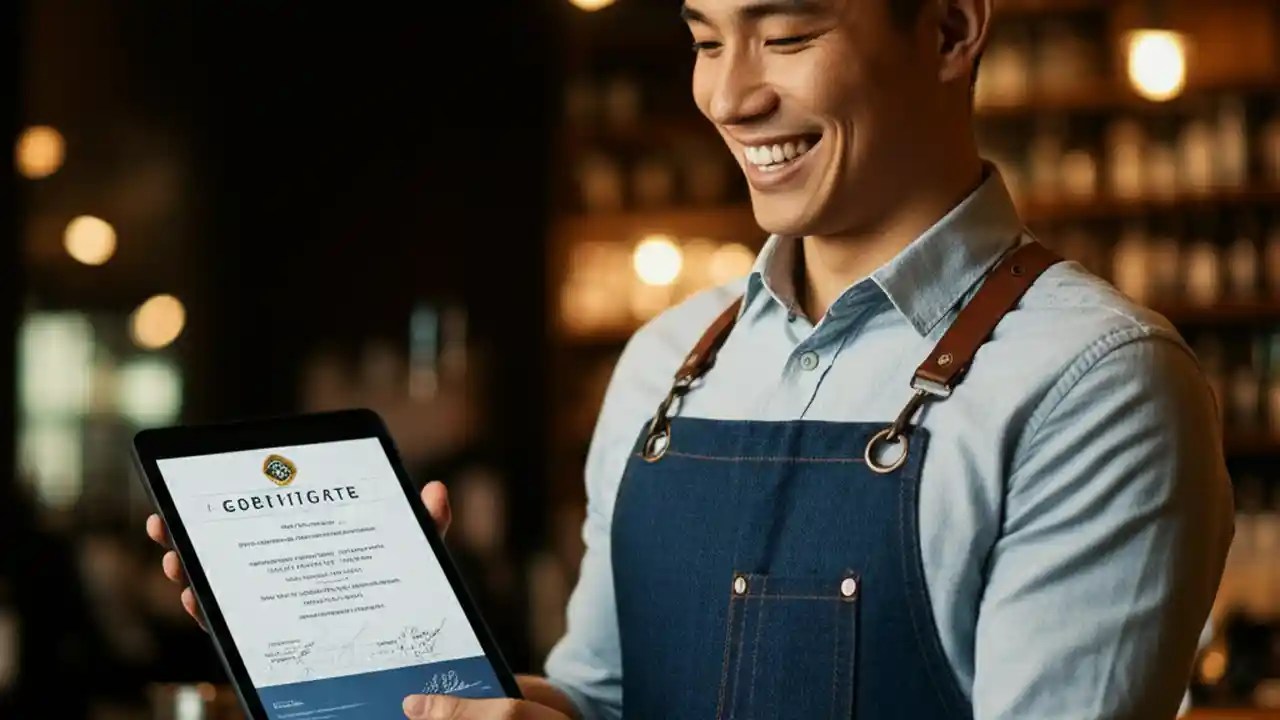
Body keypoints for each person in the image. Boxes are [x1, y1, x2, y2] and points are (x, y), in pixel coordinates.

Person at [148, 0, 1236, 717]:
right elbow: (604, 698)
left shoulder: (1093, 384)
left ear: (949, 29)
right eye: (706, 38)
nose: (727, 95)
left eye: (788, 36)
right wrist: (402, 680)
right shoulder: (666, 363)